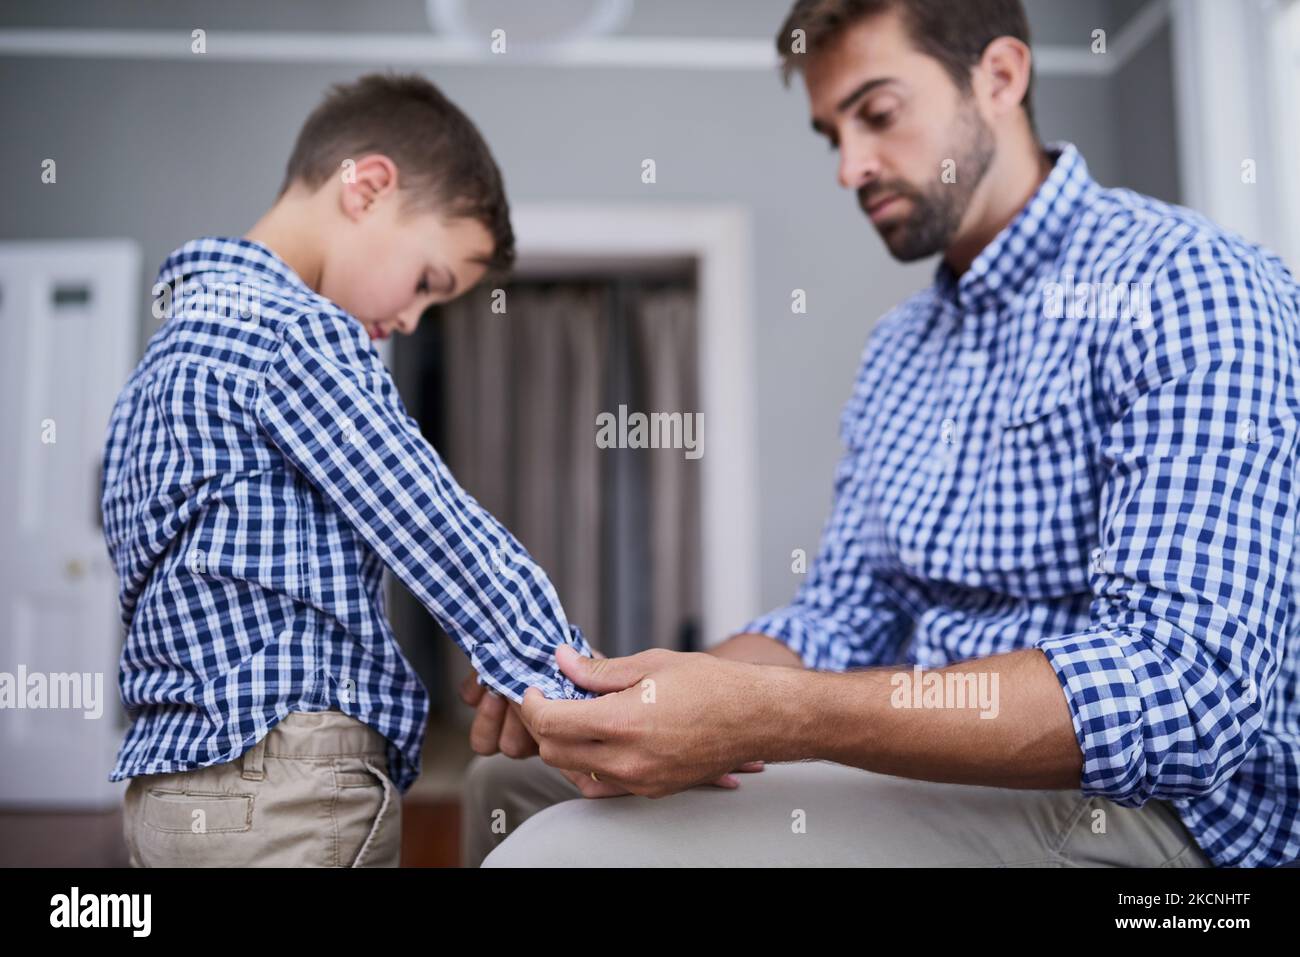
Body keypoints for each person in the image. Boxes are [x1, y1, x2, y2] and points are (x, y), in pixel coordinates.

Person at [462, 0, 1300, 868]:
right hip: (931, 767)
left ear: (1001, 77)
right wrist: (637, 695)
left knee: (556, 855)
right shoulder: (899, 349)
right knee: (510, 786)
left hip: (1145, 813)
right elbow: (841, 616)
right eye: (833, 134)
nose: (850, 166)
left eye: (878, 113)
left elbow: (1186, 693)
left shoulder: (1191, 285)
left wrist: (774, 713)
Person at [103, 72, 605, 867]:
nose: (409, 318)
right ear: (368, 188)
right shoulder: (299, 331)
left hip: (166, 789)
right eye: (428, 283)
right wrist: (574, 691)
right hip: (283, 789)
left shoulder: (162, 360)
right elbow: (430, 523)